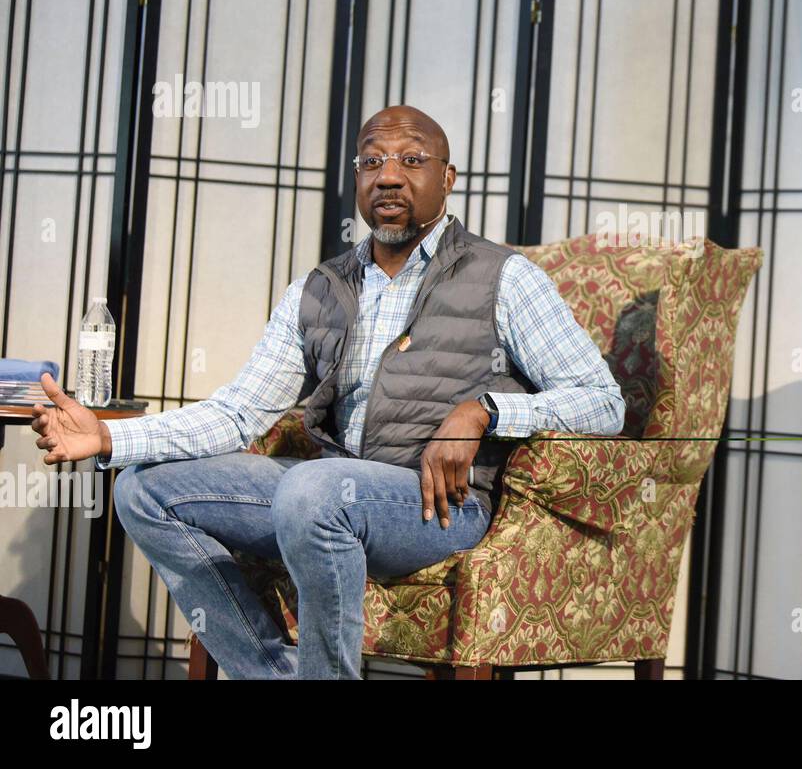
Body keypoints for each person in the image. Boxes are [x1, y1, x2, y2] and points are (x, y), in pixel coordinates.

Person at [29, 104, 625, 679]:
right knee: (143, 487)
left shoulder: (504, 277)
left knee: (315, 487)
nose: (389, 175)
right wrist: (111, 435)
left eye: (411, 160)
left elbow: (603, 402)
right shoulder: (319, 289)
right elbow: (239, 413)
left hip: (438, 506)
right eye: (372, 162)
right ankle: (274, 673)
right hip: (327, 495)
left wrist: (484, 411)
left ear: (448, 179)